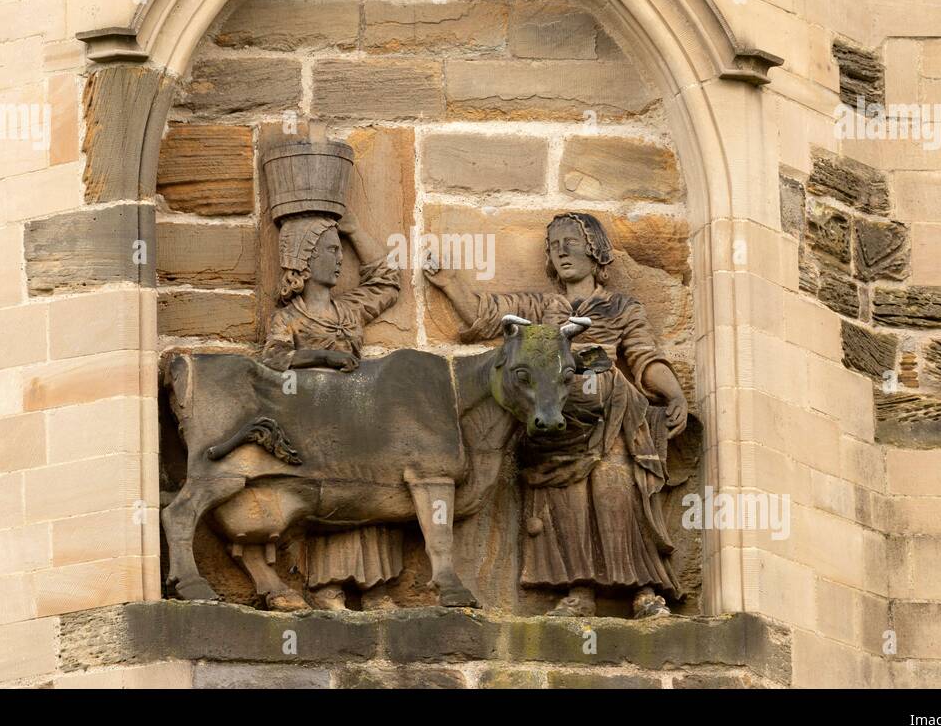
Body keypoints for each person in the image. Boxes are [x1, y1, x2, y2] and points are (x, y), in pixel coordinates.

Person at [425, 212, 688, 618]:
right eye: (553, 245)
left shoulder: (620, 307)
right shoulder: (539, 306)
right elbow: (486, 315)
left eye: (571, 241)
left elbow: (643, 356)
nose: (561, 250)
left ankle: (643, 590)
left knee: (614, 494)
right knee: (567, 504)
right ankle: (578, 590)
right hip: (554, 422)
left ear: (596, 250)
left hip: (610, 421)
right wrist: (448, 281)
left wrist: (674, 395)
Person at [260, 210, 404, 611]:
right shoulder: (289, 316)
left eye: (339, 250)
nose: (339, 258)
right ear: (304, 261)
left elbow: (388, 281)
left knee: (373, 493)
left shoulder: (350, 309)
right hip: (316, 418)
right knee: (333, 497)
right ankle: (328, 586)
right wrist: (322, 355)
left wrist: (355, 230)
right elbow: (273, 359)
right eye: (329, 250)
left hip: (359, 416)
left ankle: (375, 586)